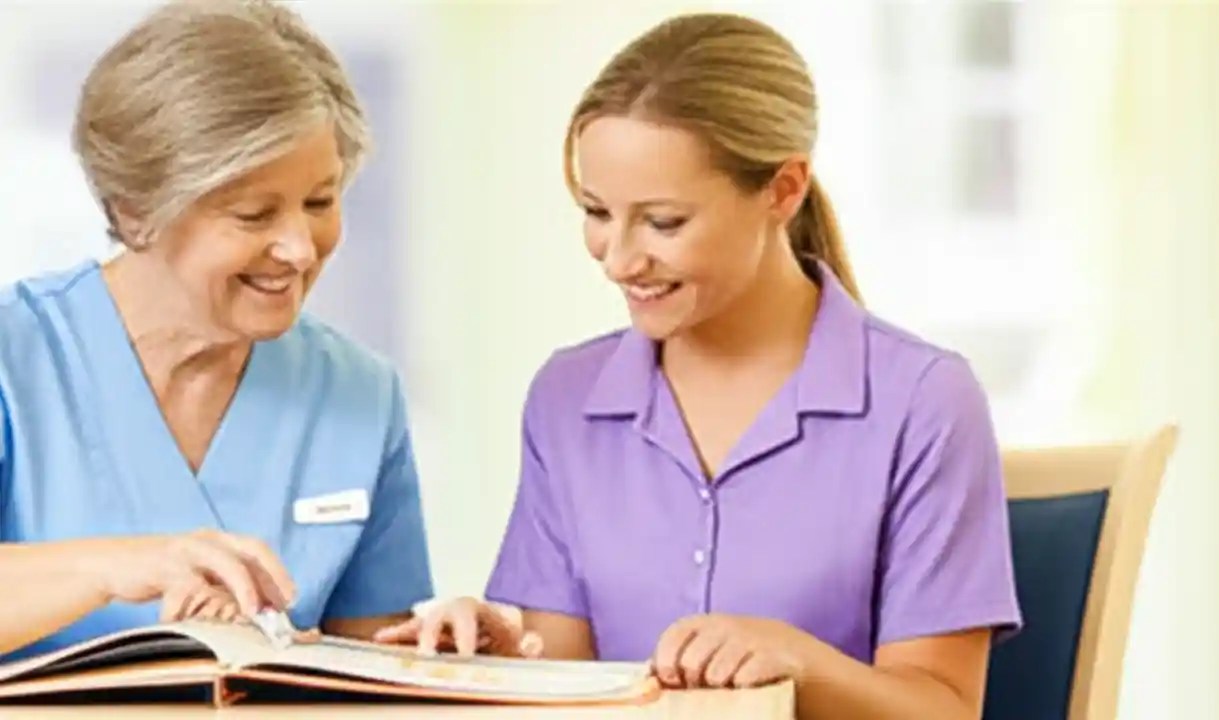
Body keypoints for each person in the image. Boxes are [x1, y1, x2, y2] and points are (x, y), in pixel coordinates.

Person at [375, 11, 1021, 719]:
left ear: (783, 190)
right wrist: (500, 656)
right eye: (596, 212)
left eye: (663, 222)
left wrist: (798, 662)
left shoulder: (923, 401)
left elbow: (945, 709)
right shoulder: (567, 398)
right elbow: (565, 677)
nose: (618, 260)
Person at [0, 0, 432, 659]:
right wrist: (110, 568)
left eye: (321, 201)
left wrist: (447, 651)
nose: (300, 248)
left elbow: (373, 674)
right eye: (254, 214)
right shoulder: (17, 359)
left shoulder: (359, 394)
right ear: (136, 211)